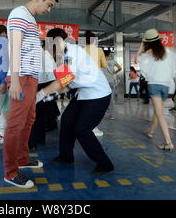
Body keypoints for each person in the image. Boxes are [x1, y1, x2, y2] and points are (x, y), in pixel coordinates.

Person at [3, 0, 59, 189]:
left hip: (31, 79)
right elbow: (15, 48)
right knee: (16, 125)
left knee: (28, 121)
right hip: (22, 77)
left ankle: (22, 159)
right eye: (49, 4)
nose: (49, 9)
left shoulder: (31, 20)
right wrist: (15, 80)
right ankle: (10, 171)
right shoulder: (19, 14)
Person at [38, 28, 114, 175]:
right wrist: (49, 95)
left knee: (82, 129)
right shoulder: (61, 56)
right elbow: (66, 86)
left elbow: (63, 81)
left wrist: (41, 94)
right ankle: (66, 156)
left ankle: (105, 164)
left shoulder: (72, 53)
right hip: (84, 93)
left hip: (98, 95)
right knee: (66, 120)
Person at [137, 29, 176, 151]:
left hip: (154, 85)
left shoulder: (148, 53)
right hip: (166, 85)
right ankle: (151, 130)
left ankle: (168, 142)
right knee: (159, 110)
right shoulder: (167, 51)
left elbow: (137, 60)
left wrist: (141, 46)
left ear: (147, 42)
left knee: (160, 113)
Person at [28, 42, 60, 150]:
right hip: (46, 84)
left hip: (41, 85)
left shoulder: (43, 54)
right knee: (40, 115)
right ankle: (39, 140)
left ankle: (32, 142)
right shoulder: (46, 55)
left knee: (35, 116)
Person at [83, 30, 107, 137]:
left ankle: (84, 125)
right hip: (96, 80)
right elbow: (104, 65)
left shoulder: (81, 50)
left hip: (83, 80)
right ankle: (93, 127)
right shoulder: (99, 51)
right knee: (95, 104)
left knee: (85, 104)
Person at [102, 49, 122, 120]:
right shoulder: (113, 61)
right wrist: (114, 73)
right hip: (111, 81)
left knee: (102, 98)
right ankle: (111, 115)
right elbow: (120, 68)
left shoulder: (101, 62)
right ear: (109, 54)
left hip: (103, 82)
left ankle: (103, 112)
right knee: (111, 98)